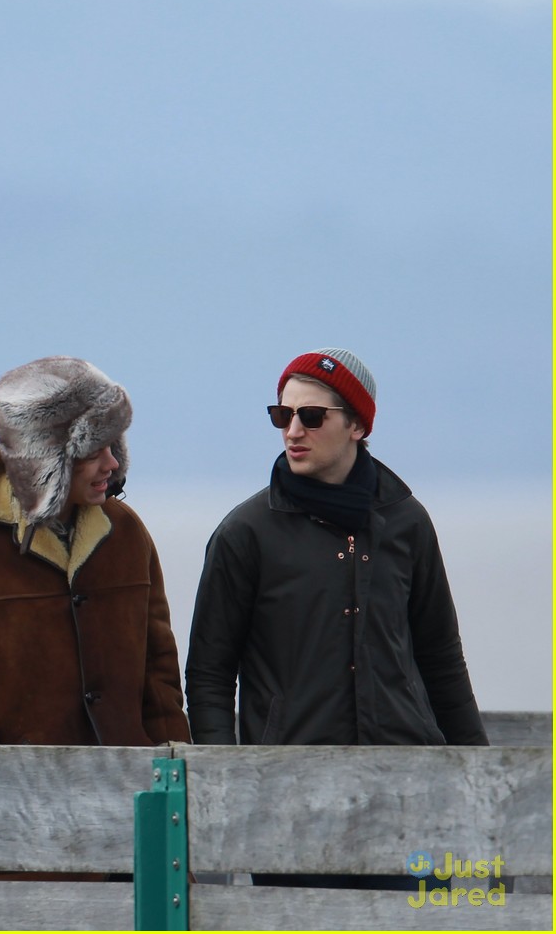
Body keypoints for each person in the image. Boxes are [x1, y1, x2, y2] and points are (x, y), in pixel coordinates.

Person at [184, 347, 488, 886]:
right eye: (282, 414)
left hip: (408, 791)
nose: (292, 430)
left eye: (311, 415)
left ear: (357, 426)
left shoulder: (407, 522)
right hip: (287, 799)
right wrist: (224, 783)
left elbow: (441, 657)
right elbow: (209, 673)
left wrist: (480, 782)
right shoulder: (244, 533)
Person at [0, 356, 190, 750]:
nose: (112, 463)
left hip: (130, 782)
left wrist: (173, 768)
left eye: (113, 445)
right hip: (14, 787)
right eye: (92, 450)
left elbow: (159, 671)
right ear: (42, 458)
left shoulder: (126, 532)